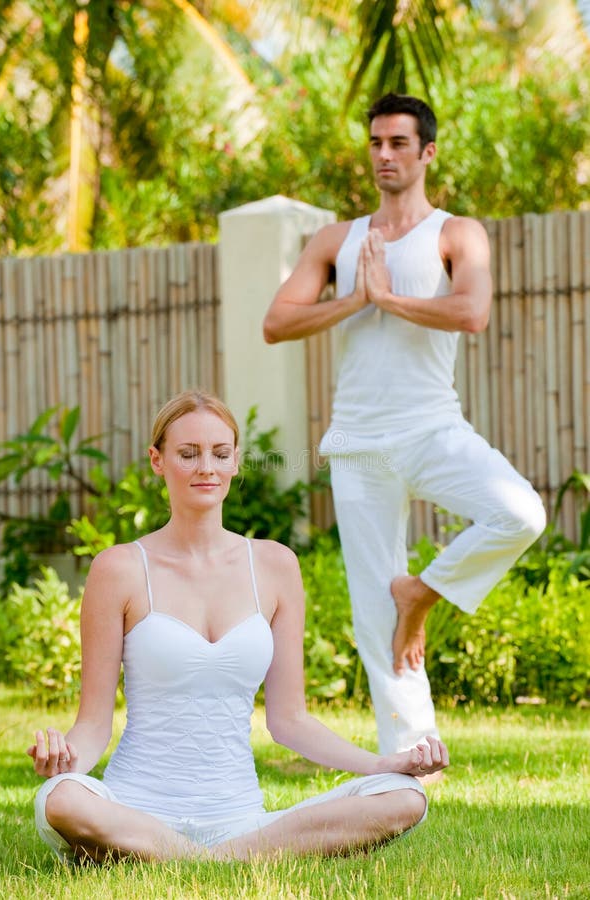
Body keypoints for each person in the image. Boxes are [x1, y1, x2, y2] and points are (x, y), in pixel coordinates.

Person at [28, 389, 448, 864]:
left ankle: (196, 857)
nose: (206, 467)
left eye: (219, 454)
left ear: (235, 463)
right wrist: (65, 763)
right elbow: (94, 724)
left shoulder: (274, 565)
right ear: (157, 461)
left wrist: (383, 764)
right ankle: (216, 857)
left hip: (241, 819)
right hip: (133, 810)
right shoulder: (119, 568)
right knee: (61, 799)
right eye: (188, 454)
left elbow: (290, 722)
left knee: (405, 796)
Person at [262, 92, 546, 755]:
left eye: (397, 143)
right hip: (359, 443)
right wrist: (355, 299)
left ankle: (421, 592)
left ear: (426, 152)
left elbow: (470, 311)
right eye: (374, 144)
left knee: (521, 514)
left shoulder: (456, 232)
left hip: (432, 430)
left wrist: (388, 298)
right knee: (370, 612)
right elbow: (277, 322)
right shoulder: (336, 240)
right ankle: (413, 756)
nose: (384, 155)